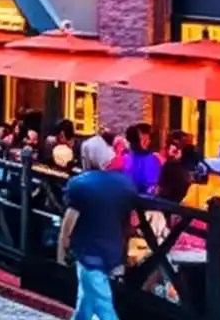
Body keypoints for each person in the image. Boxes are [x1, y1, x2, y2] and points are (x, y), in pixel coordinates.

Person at [57, 135, 136, 320]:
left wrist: (62, 250)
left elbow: (69, 223)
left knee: (102, 303)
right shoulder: (125, 184)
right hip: (114, 248)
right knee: (86, 299)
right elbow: (130, 219)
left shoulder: (81, 185)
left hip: (88, 251)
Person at [120, 123, 163, 194]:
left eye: (148, 139)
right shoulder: (125, 159)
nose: (148, 142)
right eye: (142, 139)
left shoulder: (153, 159)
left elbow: (153, 186)